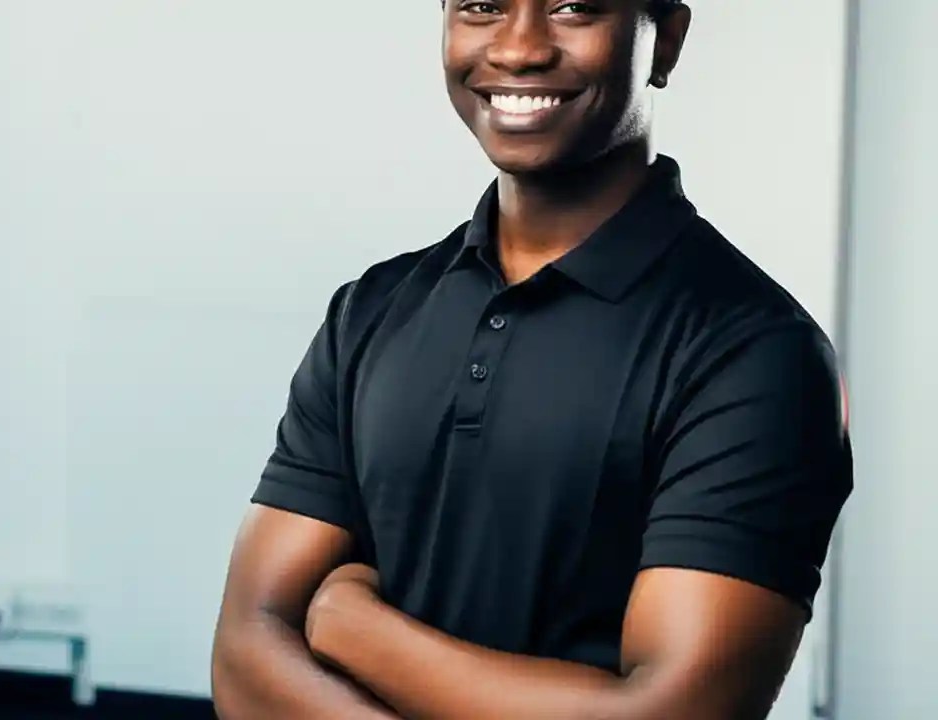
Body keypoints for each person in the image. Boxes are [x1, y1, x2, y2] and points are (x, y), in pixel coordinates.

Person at [211, 0, 853, 717]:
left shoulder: (756, 353)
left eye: (573, 8)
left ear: (664, 40)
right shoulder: (370, 311)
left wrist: (357, 629)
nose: (519, 49)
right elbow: (245, 656)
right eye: (483, 6)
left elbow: (674, 711)